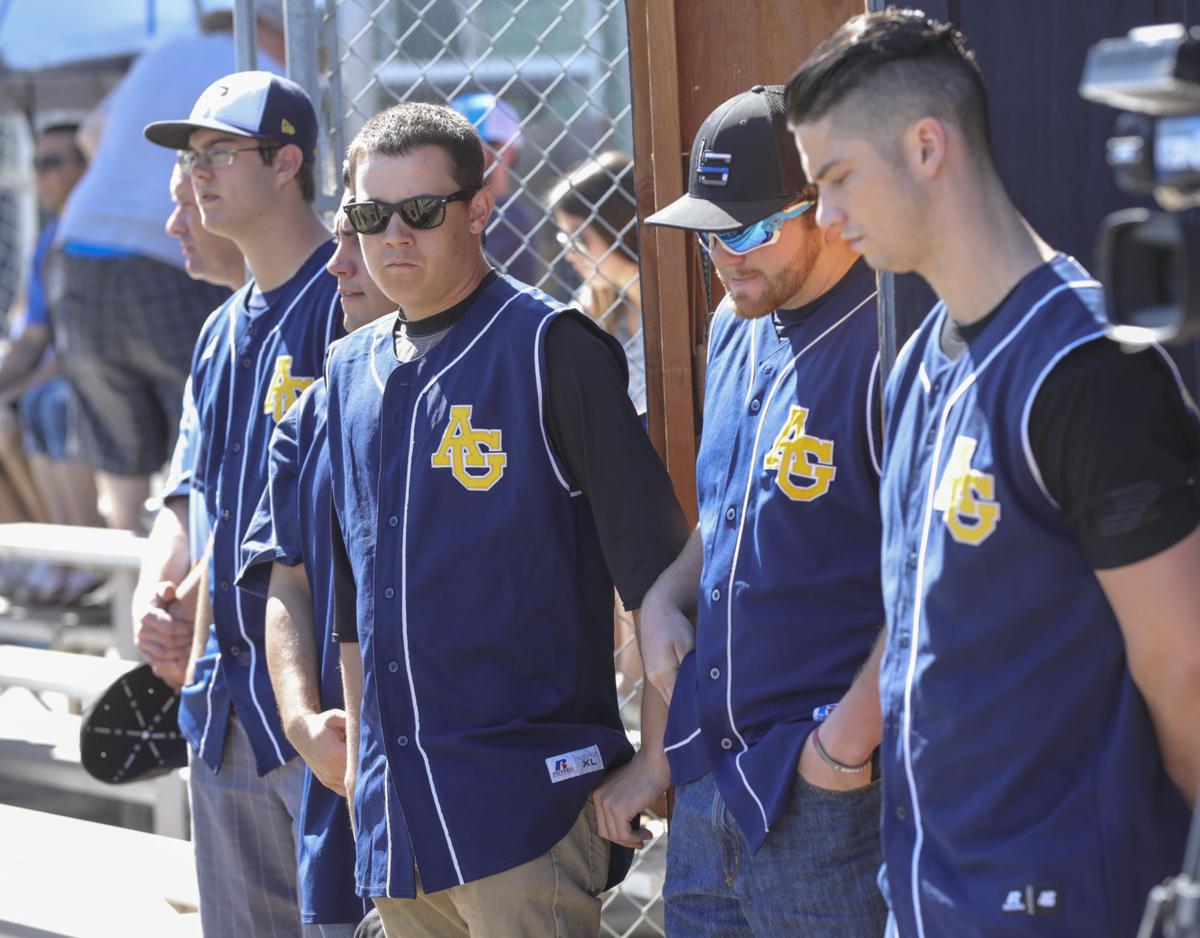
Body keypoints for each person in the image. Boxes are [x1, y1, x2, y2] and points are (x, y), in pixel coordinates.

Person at [786, 11, 1200, 937]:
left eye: (836, 176)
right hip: (934, 898)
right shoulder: (917, 364)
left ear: (927, 146)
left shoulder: (1088, 366)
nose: (825, 216)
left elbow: (1186, 665)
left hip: (1074, 902)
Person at [326, 101, 688, 937]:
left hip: (525, 814)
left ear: (480, 207)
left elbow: (661, 575)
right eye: (369, 216)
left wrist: (655, 762)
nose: (395, 236)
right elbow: (350, 606)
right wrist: (361, 779)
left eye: (421, 211)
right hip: (399, 820)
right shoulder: (347, 374)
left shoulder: (550, 346)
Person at [602, 85, 887, 936]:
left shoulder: (899, 337)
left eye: (753, 227)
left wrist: (842, 752)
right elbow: (729, 514)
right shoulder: (735, 319)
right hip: (710, 778)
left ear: (827, 206)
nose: (727, 253)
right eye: (709, 230)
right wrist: (662, 597)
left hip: (831, 796)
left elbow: (940, 580)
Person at [142, 70, 344, 938]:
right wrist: (163, 586)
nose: (199, 174)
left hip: (322, 703)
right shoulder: (222, 328)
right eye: (195, 157)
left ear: (288, 161)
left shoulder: (350, 300)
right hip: (224, 704)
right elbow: (192, 491)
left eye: (219, 153)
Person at [51, 6, 283, 533]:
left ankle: (131, 585)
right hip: (160, 251)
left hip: (79, 246)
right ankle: (195, 565)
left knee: (119, 442)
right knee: (210, 416)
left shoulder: (167, 52)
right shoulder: (260, 71)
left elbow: (89, 135)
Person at [237, 196, 395, 937]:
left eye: (358, 245)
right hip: (340, 779)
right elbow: (284, 577)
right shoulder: (314, 408)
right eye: (338, 242)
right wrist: (300, 719)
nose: (338, 265)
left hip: (471, 786)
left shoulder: (510, 371)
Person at [131, 161, 248, 691]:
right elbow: (184, 495)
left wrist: (189, 606)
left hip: (275, 660)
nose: (175, 225)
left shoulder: (323, 317)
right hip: (207, 663)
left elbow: (267, 507)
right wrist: (152, 597)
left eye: (191, 203)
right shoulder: (216, 329)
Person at [0, 122, 103, 604]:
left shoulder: (98, 229)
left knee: (45, 405)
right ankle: (43, 553)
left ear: (86, 169)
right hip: (59, 372)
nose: (41, 176)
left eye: (52, 163)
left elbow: (79, 345)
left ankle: (83, 557)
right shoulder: (47, 240)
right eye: (37, 164)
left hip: (96, 372)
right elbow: (34, 335)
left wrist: (20, 389)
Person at [548, 151, 645, 416]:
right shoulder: (595, 306)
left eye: (578, 238)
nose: (570, 253)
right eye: (565, 240)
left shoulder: (678, 302)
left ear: (619, 228)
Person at [451, 93, 541, 283]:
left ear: (507, 150)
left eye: (478, 144)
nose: (461, 157)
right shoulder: (449, 207)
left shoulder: (512, 218)